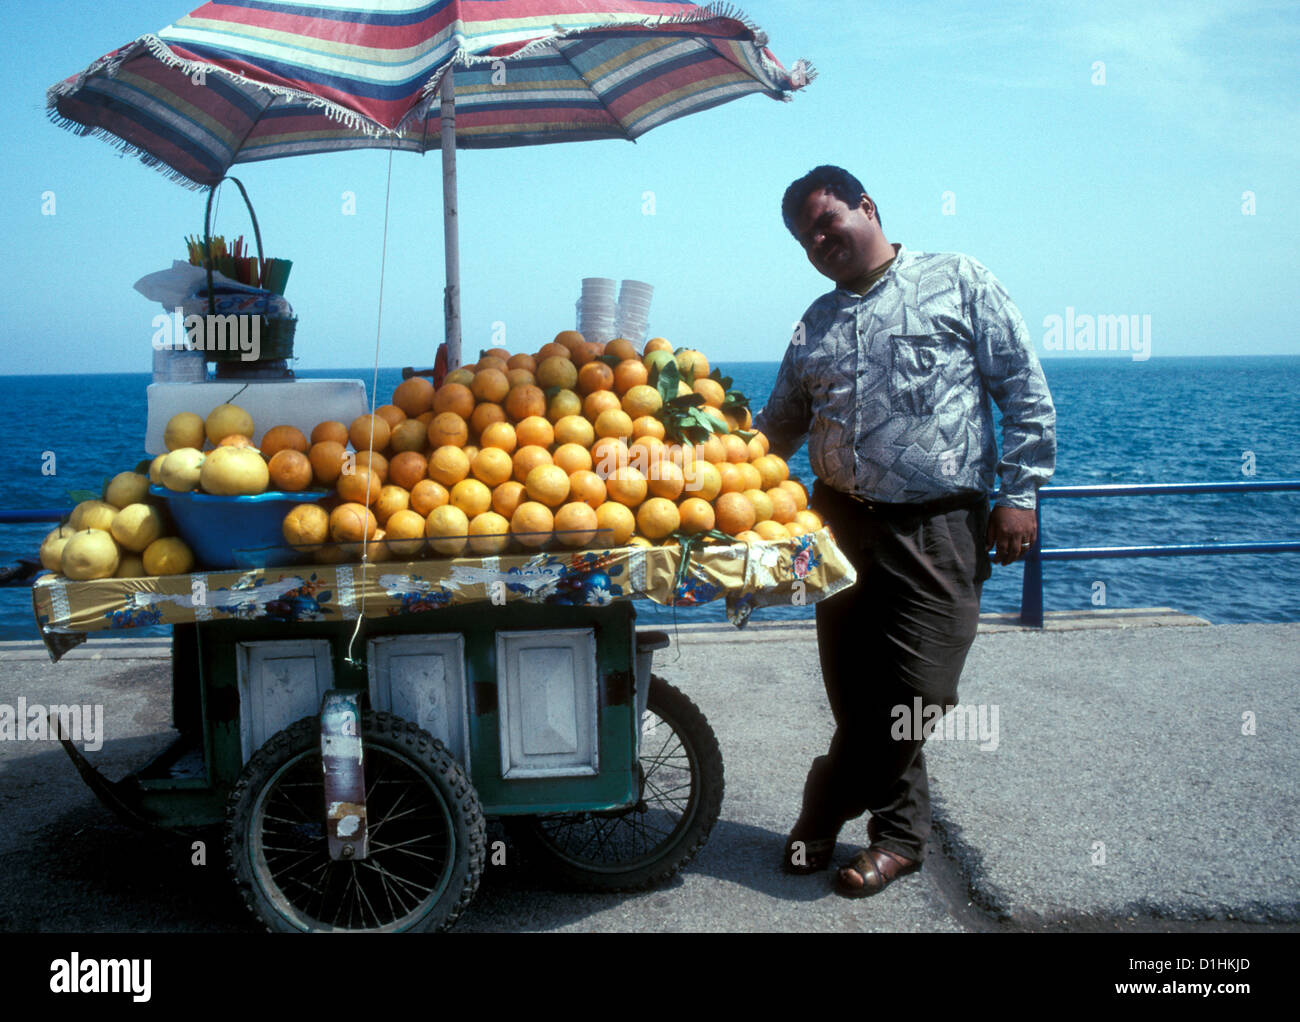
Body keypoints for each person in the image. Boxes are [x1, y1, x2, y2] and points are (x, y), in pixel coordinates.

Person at [755, 165, 1056, 897]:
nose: (820, 241)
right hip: (836, 526)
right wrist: (693, 464)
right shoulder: (814, 322)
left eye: (828, 221)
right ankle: (898, 838)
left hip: (938, 526)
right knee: (859, 695)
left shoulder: (958, 279)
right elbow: (780, 426)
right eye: (805, 237)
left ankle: (822, 806)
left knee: (919, 692)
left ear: (868, 207)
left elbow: (1023, 389)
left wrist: (1019, 494)